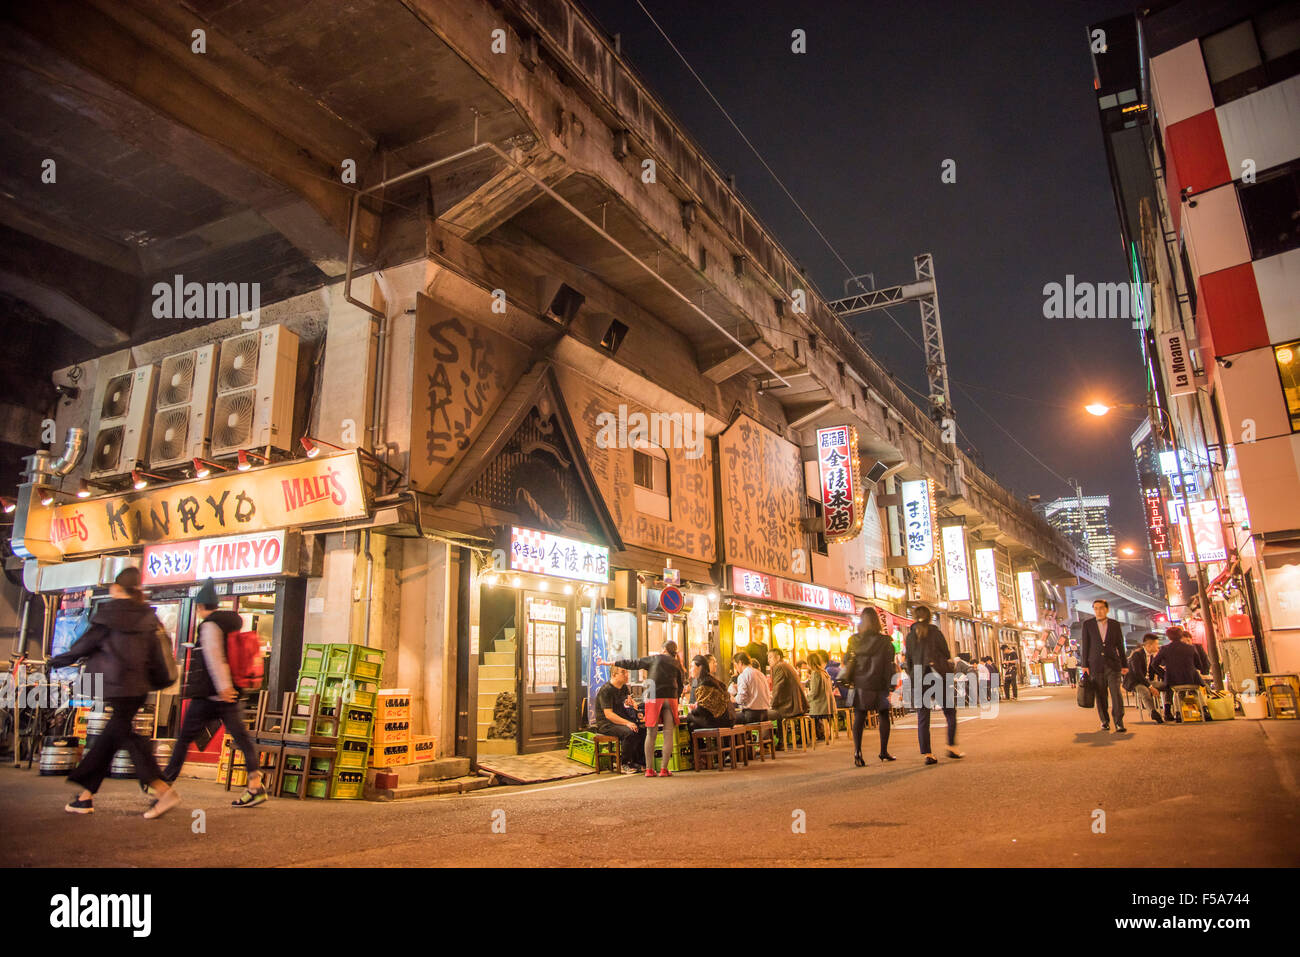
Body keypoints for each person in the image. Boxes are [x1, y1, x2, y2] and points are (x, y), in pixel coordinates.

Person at [48, 567, 181, 819]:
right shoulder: (148, 616)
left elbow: (84, 645)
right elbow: (156, 658)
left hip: (117, 686)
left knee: (122, 738)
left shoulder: (109, 614)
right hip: (139, 688)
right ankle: (86, 796)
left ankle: (162, 791)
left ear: (117, 588)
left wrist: (57, 661)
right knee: (116, 737)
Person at [160, 579, 266, 806]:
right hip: (230, 693)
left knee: (184, 738)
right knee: (242, 739)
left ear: (200, 607)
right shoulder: (231, 624)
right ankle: (255, 785)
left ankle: (164, 786)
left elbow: (214, 658)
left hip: (212, 695)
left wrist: (223, 687)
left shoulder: (209, 626)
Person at [602, 639, 686, 777]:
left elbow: (634, 663)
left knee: (651, 733)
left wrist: (612, 663)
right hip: (671, 698)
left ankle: (649, 769)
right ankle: (664, 769)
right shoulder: (677, 663)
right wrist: (677, 696)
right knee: (668, 734)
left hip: (653, 696)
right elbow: (681, 684)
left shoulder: (655, 658)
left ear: (663, 649)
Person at [905, 605, 962, 764]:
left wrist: (913, 676)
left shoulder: (910, 637)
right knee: (950, 712)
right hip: (937, 676)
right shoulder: (935, 633)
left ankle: (928, 754)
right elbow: (946, 653)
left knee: (923, 717)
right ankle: (951, 746)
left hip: (919, 678)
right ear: (930, 617)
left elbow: (908, 661)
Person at [842, 608, 896, 766]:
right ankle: (883, 751)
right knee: (884, 715)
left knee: (859, 717)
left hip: (860, 684)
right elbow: (889, 665)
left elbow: (846, 660)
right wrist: (891, 686)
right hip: (879, 684)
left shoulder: (854, 640)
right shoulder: (885, 641)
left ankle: (857, 752)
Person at [1080, 598, 1128, 733]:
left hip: (1113, 664)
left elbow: (1120, 645)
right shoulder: (1088, 624)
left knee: (1116, 693)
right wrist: (1084, 665)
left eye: (1101, 608)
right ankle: (1104, 721)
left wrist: (1124, 664)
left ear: (1107, 609)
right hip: (1095, 665)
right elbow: (1085, 645)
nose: (1098, 611)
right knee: (1100, 695)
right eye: (1096, 608)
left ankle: (1119, 722)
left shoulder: (1115, 624)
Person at [595, 666, 645, 772]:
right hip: (607, 724)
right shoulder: (606, 690)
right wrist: (627, 723)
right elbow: (609, 715)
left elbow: (630, 704)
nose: (627, 674)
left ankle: (637, 762)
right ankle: (624, 763)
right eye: (623, 672)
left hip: (620, 720)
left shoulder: (623, 688)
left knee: (642, 728)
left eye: (627, 672)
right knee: (629, 732)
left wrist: (633, 705)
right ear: (614, 675)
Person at [1153, 626, 1205, 721]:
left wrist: (1164, 674)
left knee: (1171, 688)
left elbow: (1154, 664)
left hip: (1174, 680)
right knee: (1195, 691)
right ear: (1181, 635)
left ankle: (1173, 713)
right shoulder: (1190, 648)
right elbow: (1199, 665)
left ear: (1168, 637)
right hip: (1191, 679)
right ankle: (1204, 711)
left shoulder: (1165, 649)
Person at [768, 647, 809, 748]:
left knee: (766, 714)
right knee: (775, 710)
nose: (768, 660)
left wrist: (771, 704)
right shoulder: (786, 665)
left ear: (778, 657)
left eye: (770, 657)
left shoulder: (779, 666)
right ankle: (782, 741)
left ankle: (776, 743)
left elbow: (778, 688)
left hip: (791, 706)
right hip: (797, 704)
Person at [686, 656, 735, 733]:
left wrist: (692, 711)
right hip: (729, 720)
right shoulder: (714, 681)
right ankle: (701, 745)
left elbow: (702, 711)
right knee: (694, 725)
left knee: (689, 718)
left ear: (700, 667)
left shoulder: (704, 684)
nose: (690, 670)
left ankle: (697, 745)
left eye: (692, 666)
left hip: (719, 722)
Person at [1125, 633, 1165, 724]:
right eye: (1156, 644)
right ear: (1149, 645)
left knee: (1166, 685)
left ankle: (1168, 708)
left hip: (1147, 681)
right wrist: (1150, 687)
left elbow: (1154, 669)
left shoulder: (1151, 655)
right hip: (1136, 682)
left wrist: (1166, 677)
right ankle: (1153, 712)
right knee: (1145, 691)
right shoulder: (1137, 654)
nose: (1158, 647)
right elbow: (1137, 674)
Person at [731, 651, 772, 725]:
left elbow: (741, 698)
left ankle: (745, 737)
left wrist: (733, 699)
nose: (736, 669)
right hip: (765, 714)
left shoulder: (743, 676)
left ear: (740, 663)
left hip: (751, 715)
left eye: (735, 665)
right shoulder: (761, 674)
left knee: (730, 719)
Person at [805, 652, 837, 741]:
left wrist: (806, 698)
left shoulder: (815, 673)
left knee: (806, 712)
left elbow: (814, 692)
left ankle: (814, 738)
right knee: (824, 720)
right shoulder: (824, 672)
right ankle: (827, 736)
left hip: (819, 705)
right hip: (827, 704)